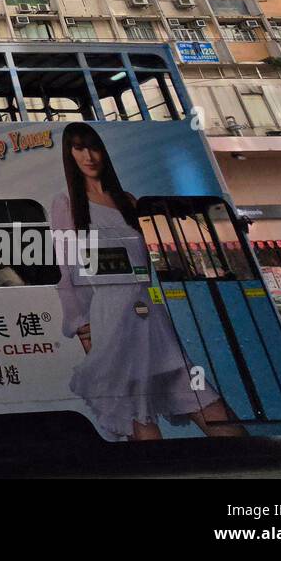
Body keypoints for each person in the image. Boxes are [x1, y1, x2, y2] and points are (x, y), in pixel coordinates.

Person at [51, 123, 244, 440]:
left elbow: (147, 260)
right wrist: (81, 324)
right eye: (78, 147)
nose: (88, 155)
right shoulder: (67, 205)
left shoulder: (128, 200)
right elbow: (67, 269)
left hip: (147, 310)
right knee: (134, 408)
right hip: (110, 317)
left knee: (195, 392)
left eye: (92, 146)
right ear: (69, 154)